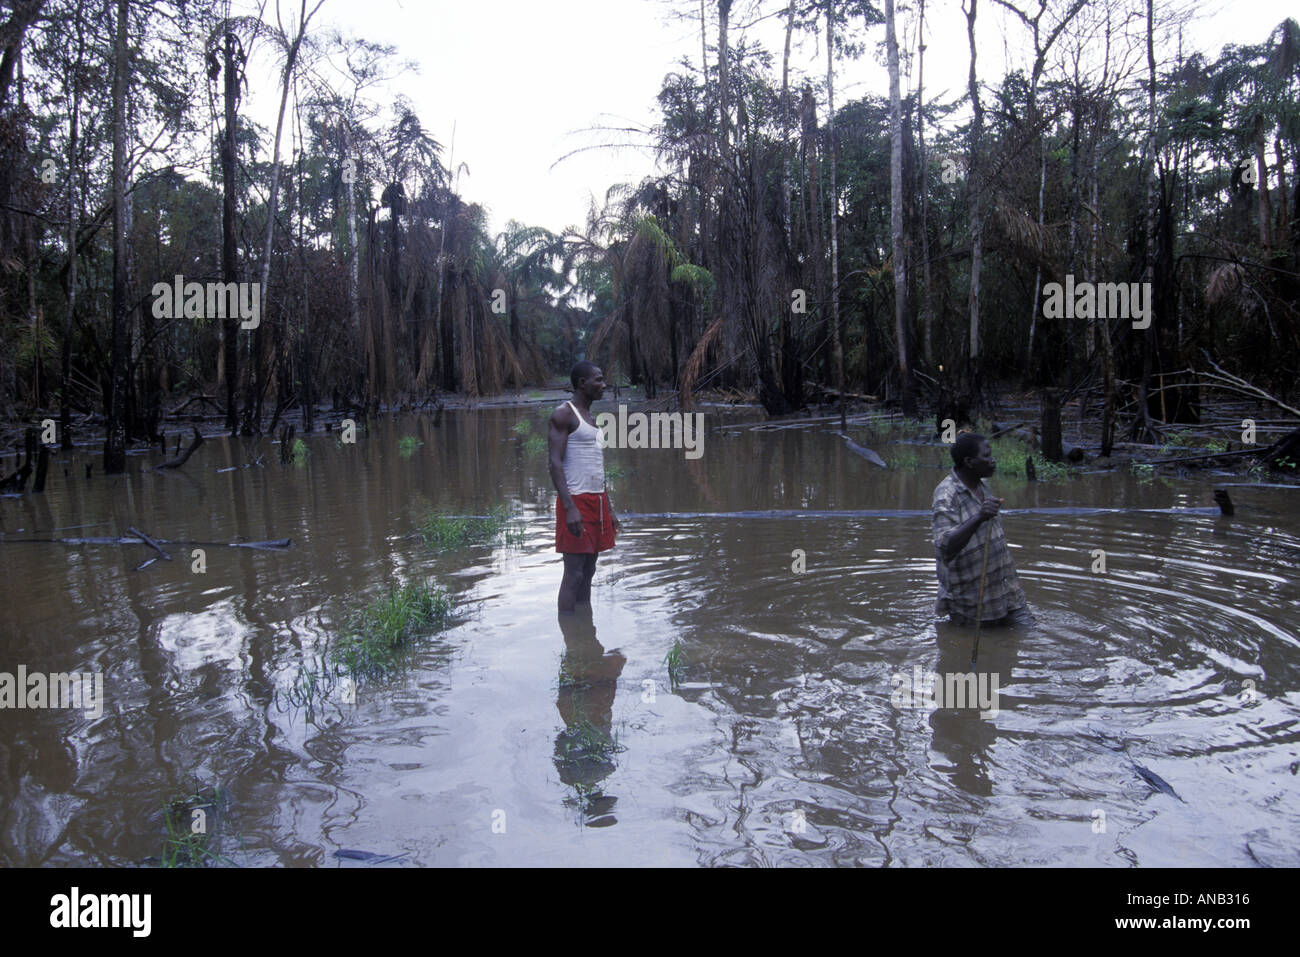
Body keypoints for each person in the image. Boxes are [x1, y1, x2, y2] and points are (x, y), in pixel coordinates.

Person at [931, 433, 1032, 627]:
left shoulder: (982, 485)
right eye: (987, 456)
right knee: (985, 650)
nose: (992, 461)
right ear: (969, 461)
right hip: (972, 603)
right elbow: (946, 548)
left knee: (1028, 638)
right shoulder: (947, 495)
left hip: (1006, 592)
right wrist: (979, 517)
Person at [549, 361, 621, 612]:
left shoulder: (592, 418)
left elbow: (596, 467)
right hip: (576, 501)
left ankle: (584, 632)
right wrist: (569, 508)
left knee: (589, 571)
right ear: (582, 383)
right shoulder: (564, 414)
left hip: (597, 501)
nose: (604, 385)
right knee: (574, 573)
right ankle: (569, 633)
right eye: (598, 380)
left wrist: (609, 509)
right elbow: (555, 464)